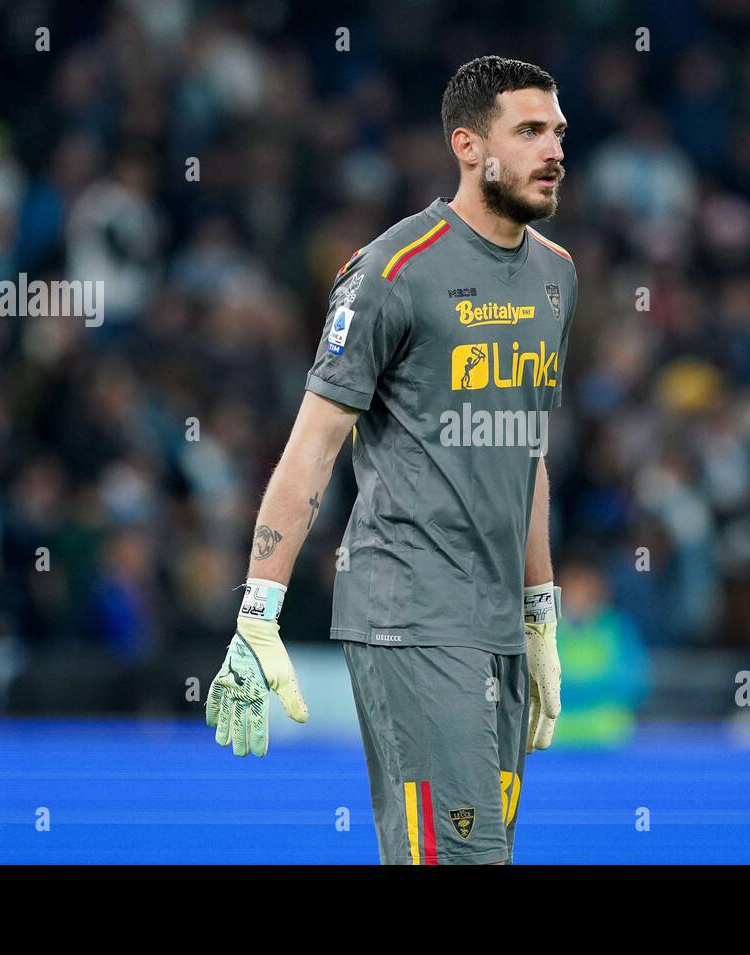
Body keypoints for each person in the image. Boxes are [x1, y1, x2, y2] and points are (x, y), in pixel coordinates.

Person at [205, 55, 577, 865]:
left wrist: (540, 607)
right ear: (469, 146)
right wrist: (258, 610)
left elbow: (529, 450)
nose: (554, 150)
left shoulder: (557, 276)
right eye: (530, 131)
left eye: (557, 131)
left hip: (497, 621)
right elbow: (311, 449)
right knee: (459, 858)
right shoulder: (390, 272)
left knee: (471, 854)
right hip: (408, 611)